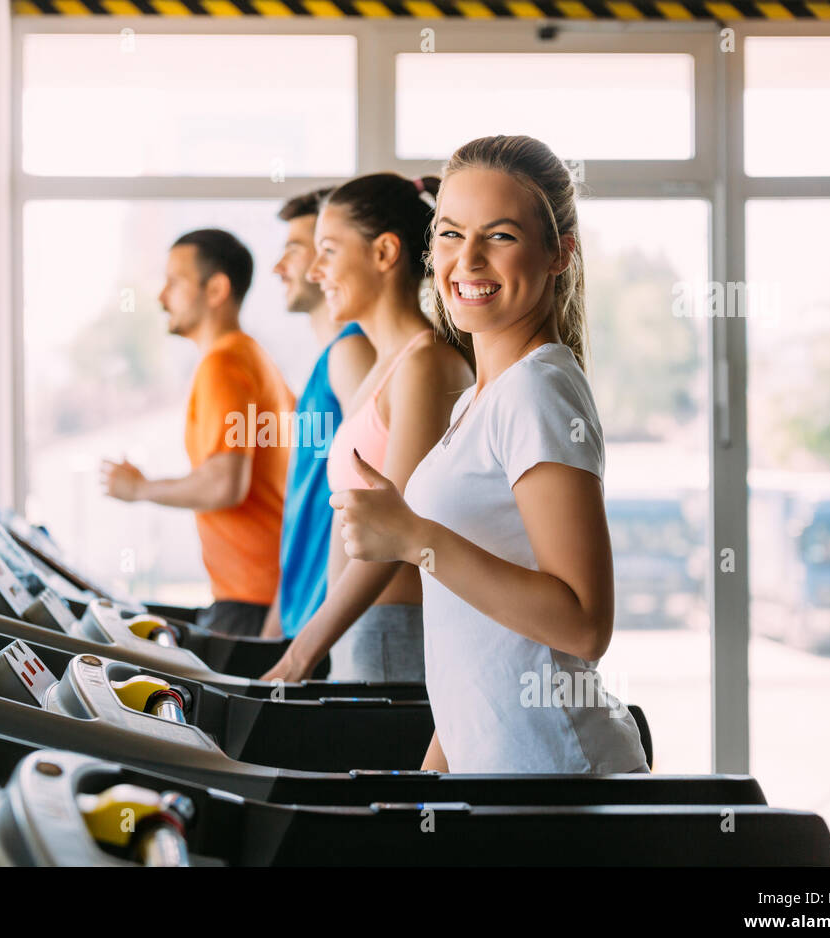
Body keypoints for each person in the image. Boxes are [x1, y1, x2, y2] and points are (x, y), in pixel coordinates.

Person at [329, 134, 650, 773]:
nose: (467, 259)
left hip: (556, 779)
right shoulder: (475, 403)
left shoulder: (538, 388)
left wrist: (414, 536)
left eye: (499, 236)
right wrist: (433, 777)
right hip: (498, 772)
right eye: (450, 234)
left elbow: (585, 626)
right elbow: (475, 645)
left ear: (561, 253)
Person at [262, 174, 474, 682]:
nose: (316, 272)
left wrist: (299, 654)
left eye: (329, 251)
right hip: (362, 634)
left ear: (384, 253)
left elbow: (392, 531)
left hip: (391, 633)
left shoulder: (425, 366)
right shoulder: (386, 366)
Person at [100, 229, 295, 636]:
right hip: (265, 592)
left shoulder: (222, 366)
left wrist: (139, 489)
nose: (160, 297)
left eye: (174, 281)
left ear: (217, 289)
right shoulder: (253, 358)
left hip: (252, 601)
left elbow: (224, 484)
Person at [258, 189, 376, 640]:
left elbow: (373, 495)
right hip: (303, 621)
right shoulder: (327, 363)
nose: (278, 267)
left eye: (294, 248)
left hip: (331, 625)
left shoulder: (353, 353)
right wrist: (279, 623)